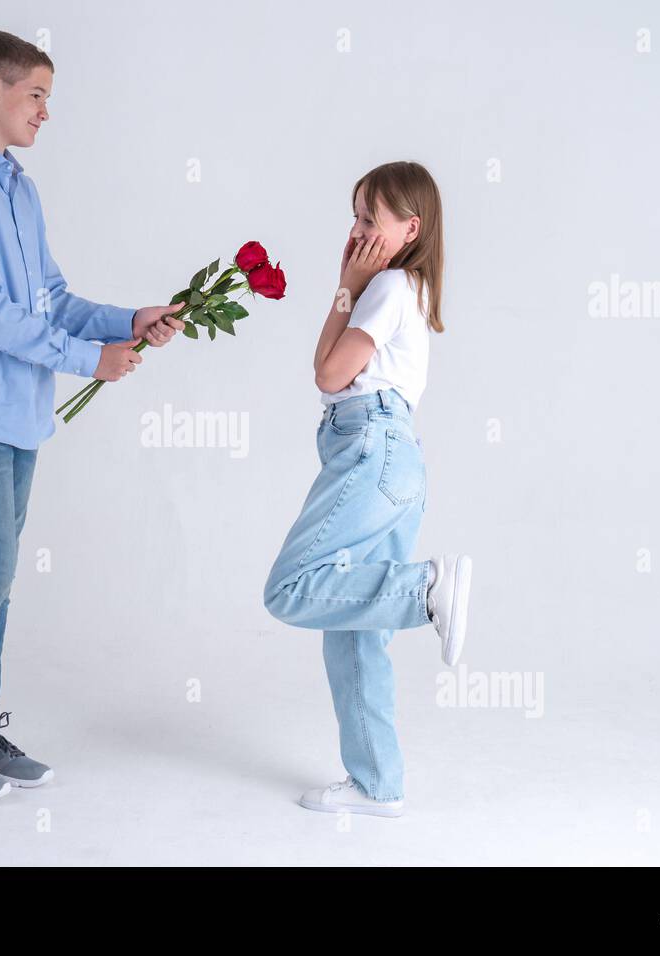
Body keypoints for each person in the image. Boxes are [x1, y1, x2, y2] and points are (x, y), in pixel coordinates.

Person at [0, 30, 184, 805]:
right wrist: (91, 362)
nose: (46, 112)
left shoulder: (18, 186)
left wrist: (128, 321)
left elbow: (49, 300)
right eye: (37, 94)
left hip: (19, 411)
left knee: (0, 578)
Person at [262, 161, 473, 818]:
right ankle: (377, 783)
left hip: (373, 453)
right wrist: (349, 287)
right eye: (353, 216)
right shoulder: (404, 290)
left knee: (291, 589)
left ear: (411, 229)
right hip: (393, 461)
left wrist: (345, 287)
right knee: (353, 629)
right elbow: (330, 371)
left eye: (369, 220)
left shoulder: (387, 287)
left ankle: (425, 590)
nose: (355, 232)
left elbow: (328, 373)